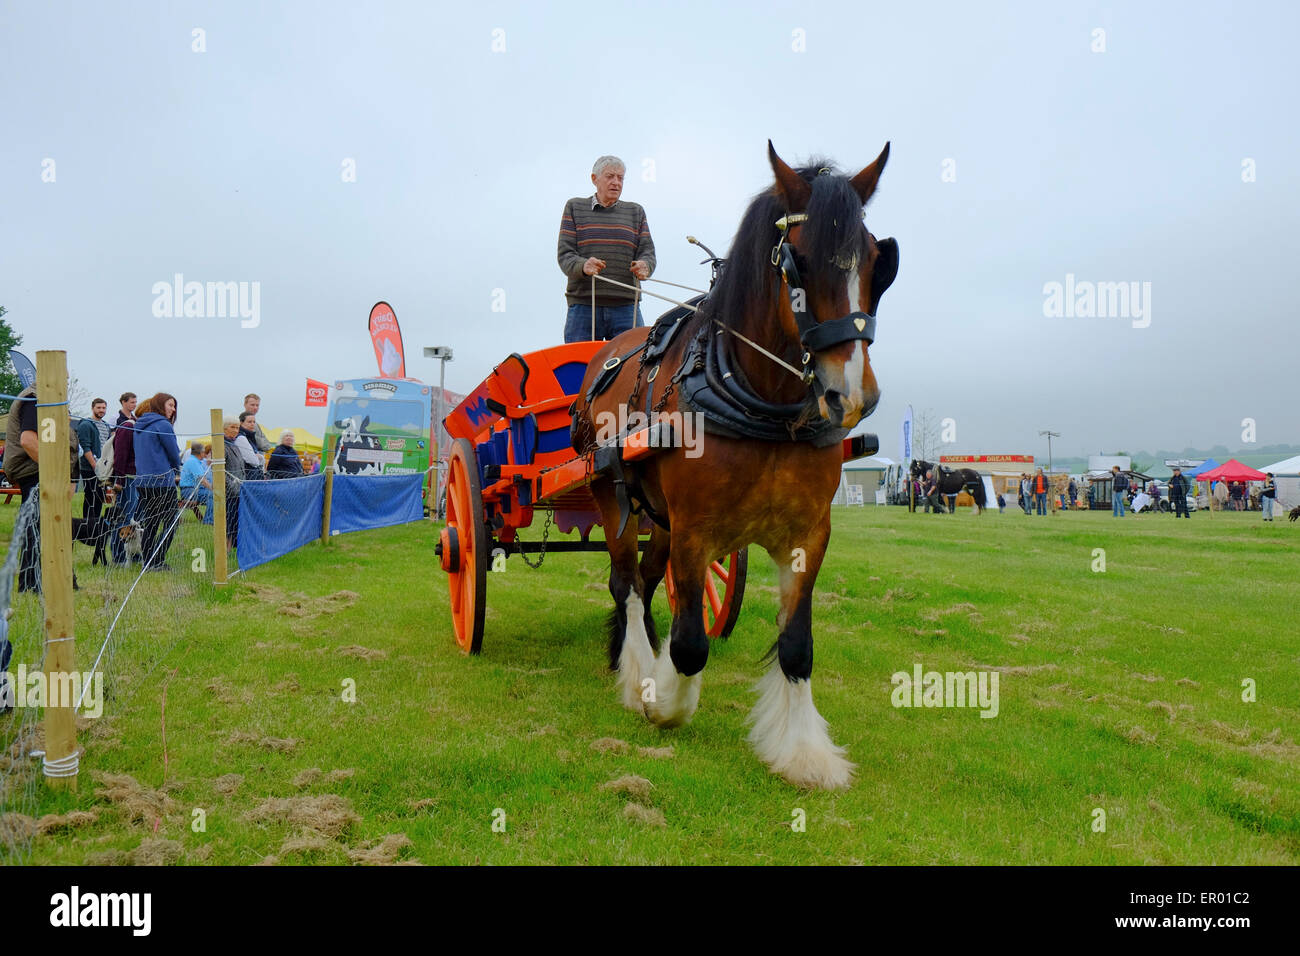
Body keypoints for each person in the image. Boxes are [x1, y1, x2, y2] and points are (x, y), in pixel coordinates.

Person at [557, 155, 656, 343]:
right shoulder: (574, 207)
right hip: (584, 307)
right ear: (594, 179)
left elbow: (648, 253)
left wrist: (646, 266)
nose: (616, 183)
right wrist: (583, 265)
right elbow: (565, 254)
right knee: (581, 370)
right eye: (610, 176)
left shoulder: (636, 211)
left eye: (620, 178)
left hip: (627, 307)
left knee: (633, 368)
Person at [132, 392, 183, 571]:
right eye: (170, 405)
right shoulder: (163, 425)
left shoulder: (139, 424)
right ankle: (158, 559)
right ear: (161, 405)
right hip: (161, 481)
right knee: (171, 522)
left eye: (174, 405)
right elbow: (173, 452)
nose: (173, 409)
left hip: (143, 481)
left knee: (151, 523)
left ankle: (148, 562)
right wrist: (178, 468)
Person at [75, 397, 110, 531]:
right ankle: (87, 526)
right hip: (90, 467)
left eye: (104, 408)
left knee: (100, 497)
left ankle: (96, 525)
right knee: (90, 496)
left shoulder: (106, 425)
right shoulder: (86, 424)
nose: (101, 410)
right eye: (99, 408)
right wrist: (95, 467)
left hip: (104, 467)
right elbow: (86, 447)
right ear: (93, 408)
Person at [222, 417, 247, 550]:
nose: (235, 430)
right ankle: (225, 550)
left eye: (237, 427)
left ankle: (233, 549)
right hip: (228, 491)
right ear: (224, 428)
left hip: (239, 490)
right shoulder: (221, 445)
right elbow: (220, 471)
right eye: (232, 427)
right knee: (228, 522)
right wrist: (231, 486)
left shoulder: (234, 444)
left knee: (235, 521)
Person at [180, 440, 214, 524]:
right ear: (201, 452)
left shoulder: (193, 461)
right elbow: (202, 480)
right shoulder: (194, 462)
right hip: (189, 491)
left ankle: (210, 519)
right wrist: (212, 489)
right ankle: (209, 521)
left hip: (191, 490)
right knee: (214, 495)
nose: (205, 454)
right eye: (204, 452)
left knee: (213, 495)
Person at [235, 411, 265, 478]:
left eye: (254, 422)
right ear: (241, 423)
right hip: (249, 477)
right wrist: (259, 457)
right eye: (249, 422)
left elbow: (261, 460)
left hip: (254, 476)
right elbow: (253, 461)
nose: (252, 424)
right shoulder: (241, 438)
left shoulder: (249, 437)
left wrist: (259, 457)